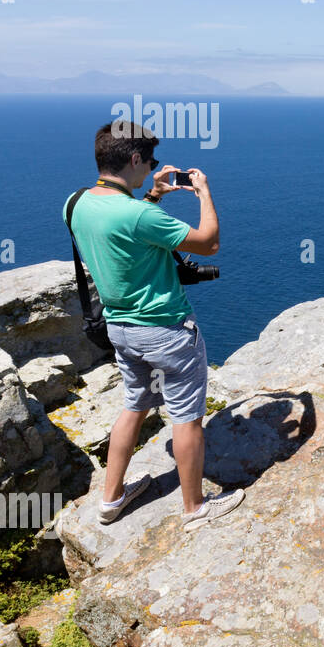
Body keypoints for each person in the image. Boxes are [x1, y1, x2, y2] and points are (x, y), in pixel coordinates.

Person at [63, 121, 244, 531]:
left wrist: (156, 193)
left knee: (135, 404)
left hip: (120, 328)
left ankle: (110, 500)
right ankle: (196, 508)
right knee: (186, 416)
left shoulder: (75, 203)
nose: (153, 167)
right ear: (134, 159)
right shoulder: (138, 214)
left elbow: (126, 234)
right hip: (166, 331)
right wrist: (204, 193)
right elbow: (209, 241)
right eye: (151, 161)